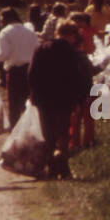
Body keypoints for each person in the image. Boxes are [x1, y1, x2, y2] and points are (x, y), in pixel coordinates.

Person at [29, 20, 93, 179]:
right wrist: (79, 100)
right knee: (63, 135)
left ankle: (50, 168)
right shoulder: (72, 53)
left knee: (48, 134)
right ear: (71, 35)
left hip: (44, 99)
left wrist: (34, 96)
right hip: (64, 100)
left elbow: (32, 74)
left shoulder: (41, 48)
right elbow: (79, 78)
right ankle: (64, 169)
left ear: (58, 32)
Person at [0, 7, 41, 130]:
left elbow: (3, 55)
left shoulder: (5, 32)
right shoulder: (29, 31)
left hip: (15, 71)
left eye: (1, 18)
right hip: (31, 70)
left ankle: (15, 131)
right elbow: (37, 49)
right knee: (30, 102)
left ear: (5, 19)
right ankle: (32, 129)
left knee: (14, 104)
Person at [67, 12, 97, 150]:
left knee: (76, 117)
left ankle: (75, 142)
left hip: (77, 86)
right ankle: (86, 141)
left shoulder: (71, 52)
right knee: (85, 116)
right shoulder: (81, 54)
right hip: (86, 84)